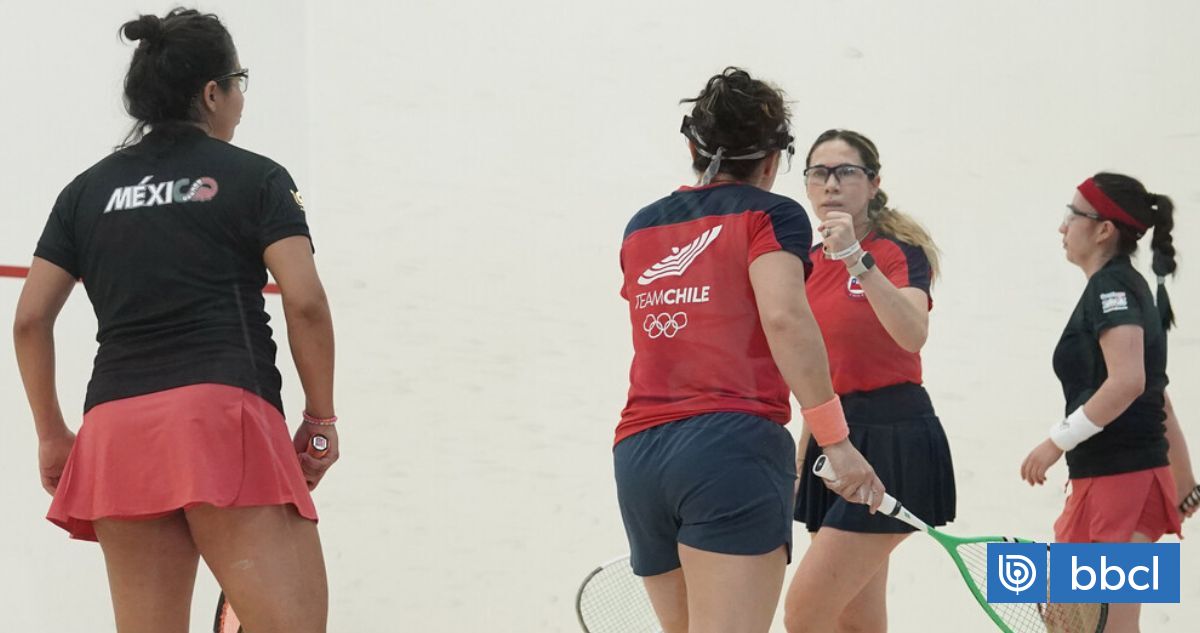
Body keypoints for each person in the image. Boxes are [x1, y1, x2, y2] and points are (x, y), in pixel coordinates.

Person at [12, 9, 337, 633]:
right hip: (222, 421)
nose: (241, 100)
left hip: (116, 433)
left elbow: (30, 321)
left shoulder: (84, 192)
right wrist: (320, 420)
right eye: (239, 82)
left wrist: (52, 434)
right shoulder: (258, 177)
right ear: (212, 93)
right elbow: (305, 302)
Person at [613, 68, 883, 633]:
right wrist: (835, 441)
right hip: (729, 447)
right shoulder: (772, 214)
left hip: (639, 458)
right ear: (772, 160)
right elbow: (785, 317)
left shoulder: (640, 228)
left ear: (693, 148)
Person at [783, 129, 956, 633]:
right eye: (819, 173)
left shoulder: (899, 250)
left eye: (846, 172)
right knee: (853, 623)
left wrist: (857, 260)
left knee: (805, 615)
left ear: (874, 183)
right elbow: (818, 373)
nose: (831, 184)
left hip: (894, 438)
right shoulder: (803, 264)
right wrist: (802, 458)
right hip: (833, 441)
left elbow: (912, 334)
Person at [1020, 172, 1181, 632]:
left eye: (1072, 214)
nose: (1062, 226)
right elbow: (1156, 391)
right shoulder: (1117, 286)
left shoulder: (1114, 288)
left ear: (1103, 229)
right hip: (1102, 478)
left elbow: (1129, 382)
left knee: (1111, 627)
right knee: (1066, 623)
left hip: (1125, 482)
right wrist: (1185, 479)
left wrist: (1056, 441)